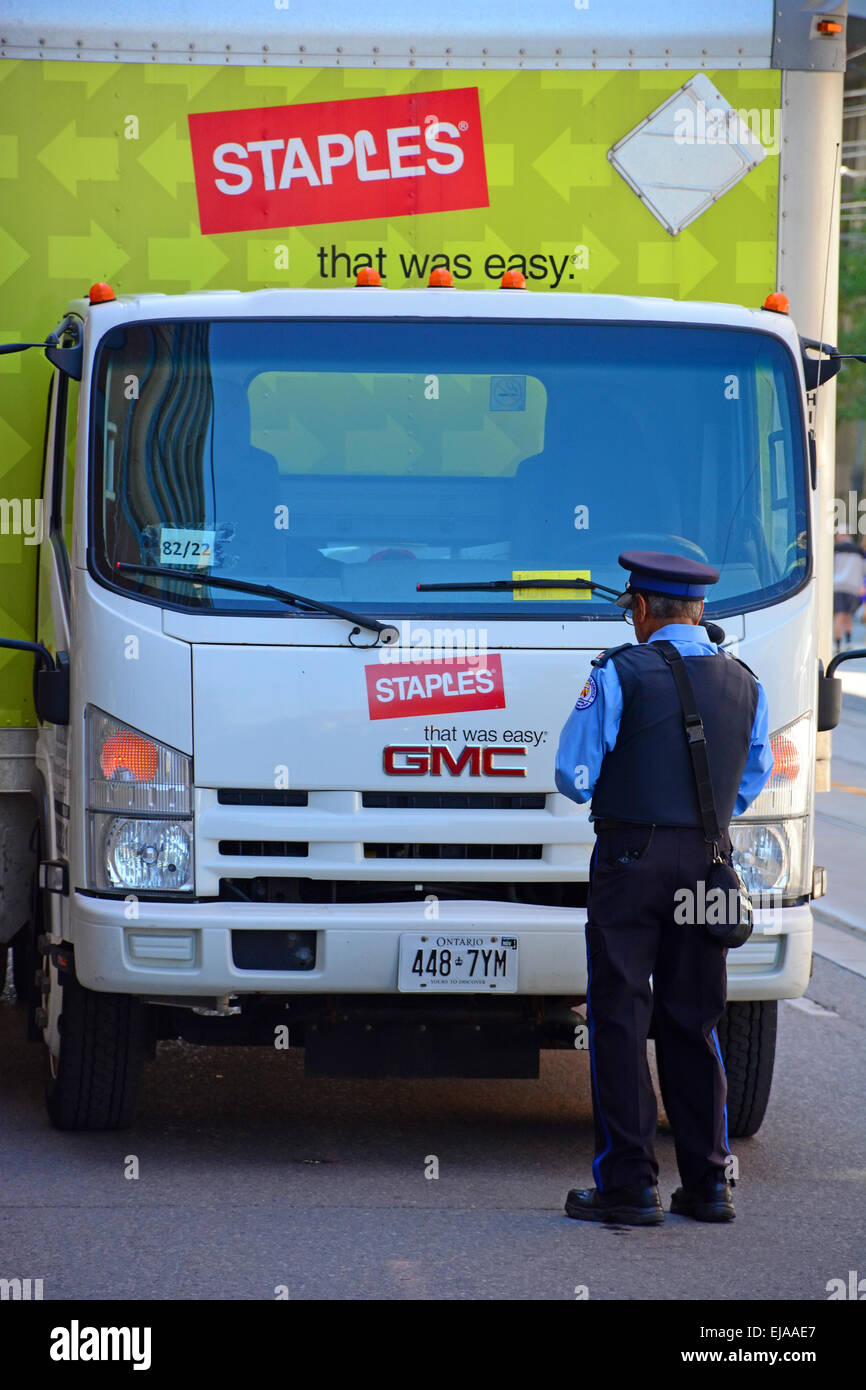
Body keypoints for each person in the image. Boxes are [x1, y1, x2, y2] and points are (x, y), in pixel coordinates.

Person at [555, 551, 773, 1226]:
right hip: (708, 861)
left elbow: (573, 772)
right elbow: (751, 777)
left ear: (642, 609)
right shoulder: (746, 682)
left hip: (630, 859)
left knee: (619, 1017)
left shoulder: (619, 672)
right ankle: (708, 1185)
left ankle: (630, 1185)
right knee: (695, 1019)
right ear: (700, 610)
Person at [833, 530, 866, 652]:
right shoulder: (859, 551)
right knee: (847, 615)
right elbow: (863, 569)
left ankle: (838, 644)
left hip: (838, 586)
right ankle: (848, 642)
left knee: (839, 615)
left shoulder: (836, 549)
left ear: (842, 535)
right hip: (853, 587)